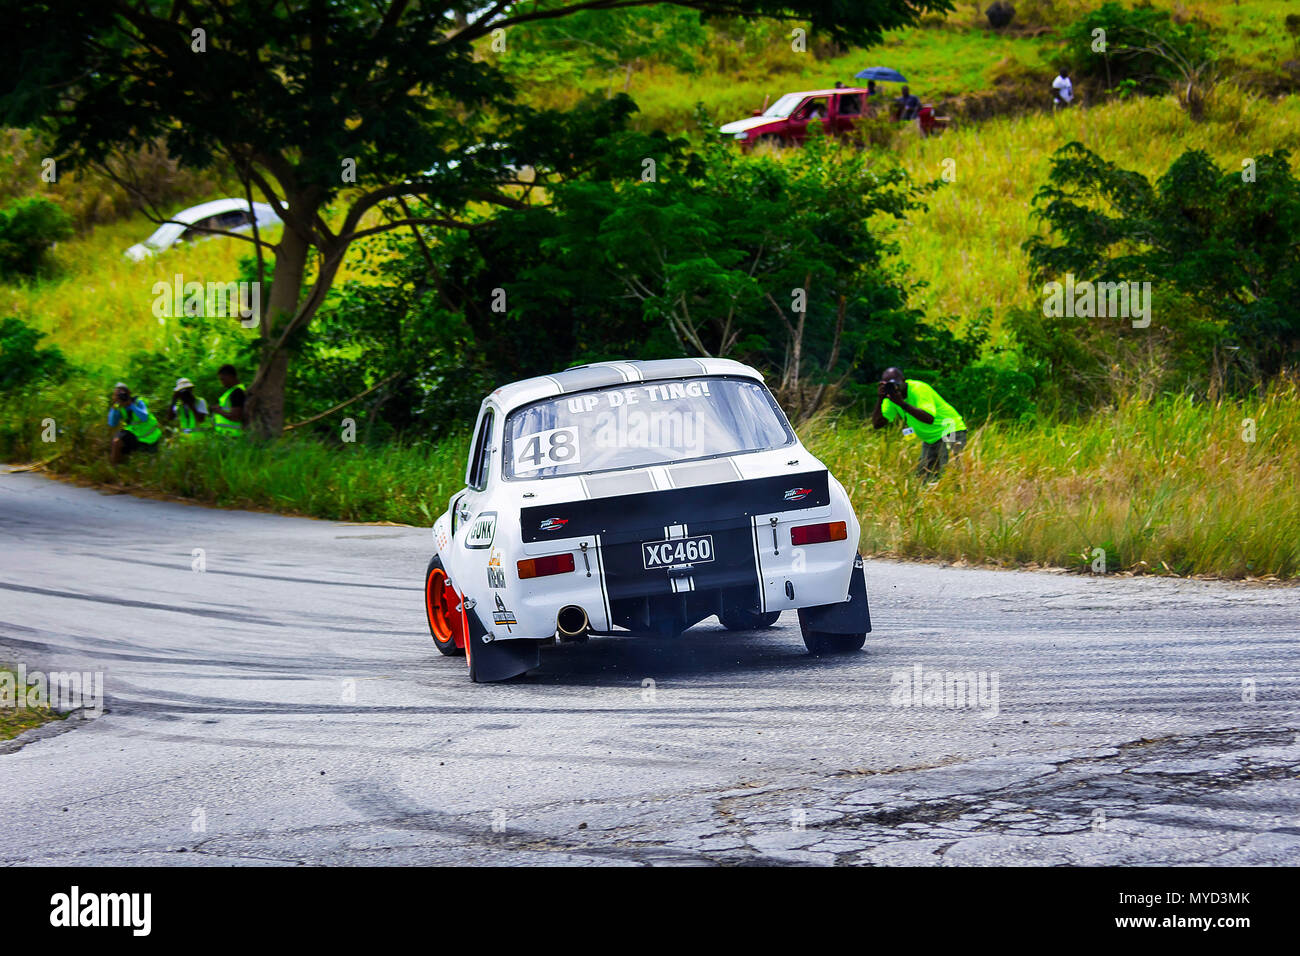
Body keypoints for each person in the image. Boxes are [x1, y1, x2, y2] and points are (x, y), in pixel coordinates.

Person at [871, 367, 968, 480]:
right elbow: (877, 424)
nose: (894, 387)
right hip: (930, 438)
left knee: (952, 473)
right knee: (924, 478)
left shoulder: (918, 389)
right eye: (888, 385)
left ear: (903, 380)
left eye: (895, 384)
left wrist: (902, 404)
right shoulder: (891, 399)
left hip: (950, 429)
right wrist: (880, 399)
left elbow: (929, 418)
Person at [107, 382, 162, 464]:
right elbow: (112, 424)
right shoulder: (119, 407)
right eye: (117, 395)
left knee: (149, 463)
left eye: (122, 394)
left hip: (151, 437)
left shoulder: (138, 402)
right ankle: (114, 468)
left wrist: (131, 405)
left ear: (128, 393)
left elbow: (144, 417)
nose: (121, 397)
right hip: (135, 435)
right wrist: (114, 407)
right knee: (117, 442)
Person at [212, 365, 247, 438]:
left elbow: (236, 416)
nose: (221, 382)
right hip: (226, 435)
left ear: (230, 376)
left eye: (222, 379)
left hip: (233, 436)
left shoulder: (237, 392)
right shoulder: (231, 391)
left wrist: (219, 411)